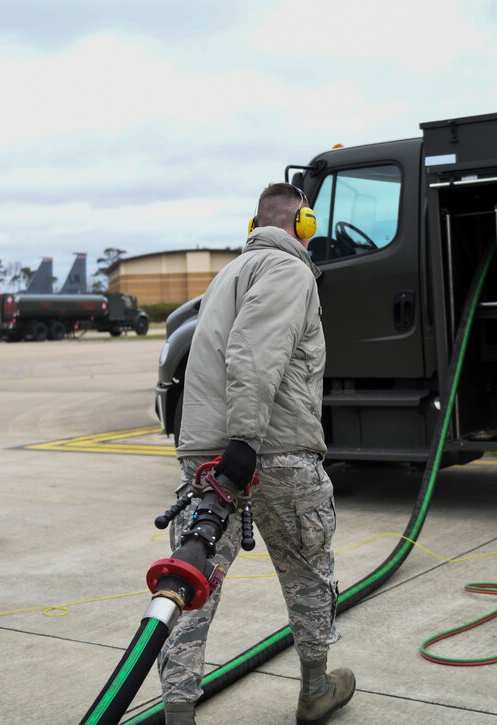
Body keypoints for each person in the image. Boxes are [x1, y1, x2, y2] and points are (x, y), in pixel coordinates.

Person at [158, 183, 355, 725]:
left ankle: (177, 711)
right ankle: (315, 690)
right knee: (308, 570)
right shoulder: (290, 271)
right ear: (304, 225)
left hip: (203, 460)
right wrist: (245, 440)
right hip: (271, 450)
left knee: (192, 583)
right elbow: (255, 350)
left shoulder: (226, 277)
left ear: (254, 226)